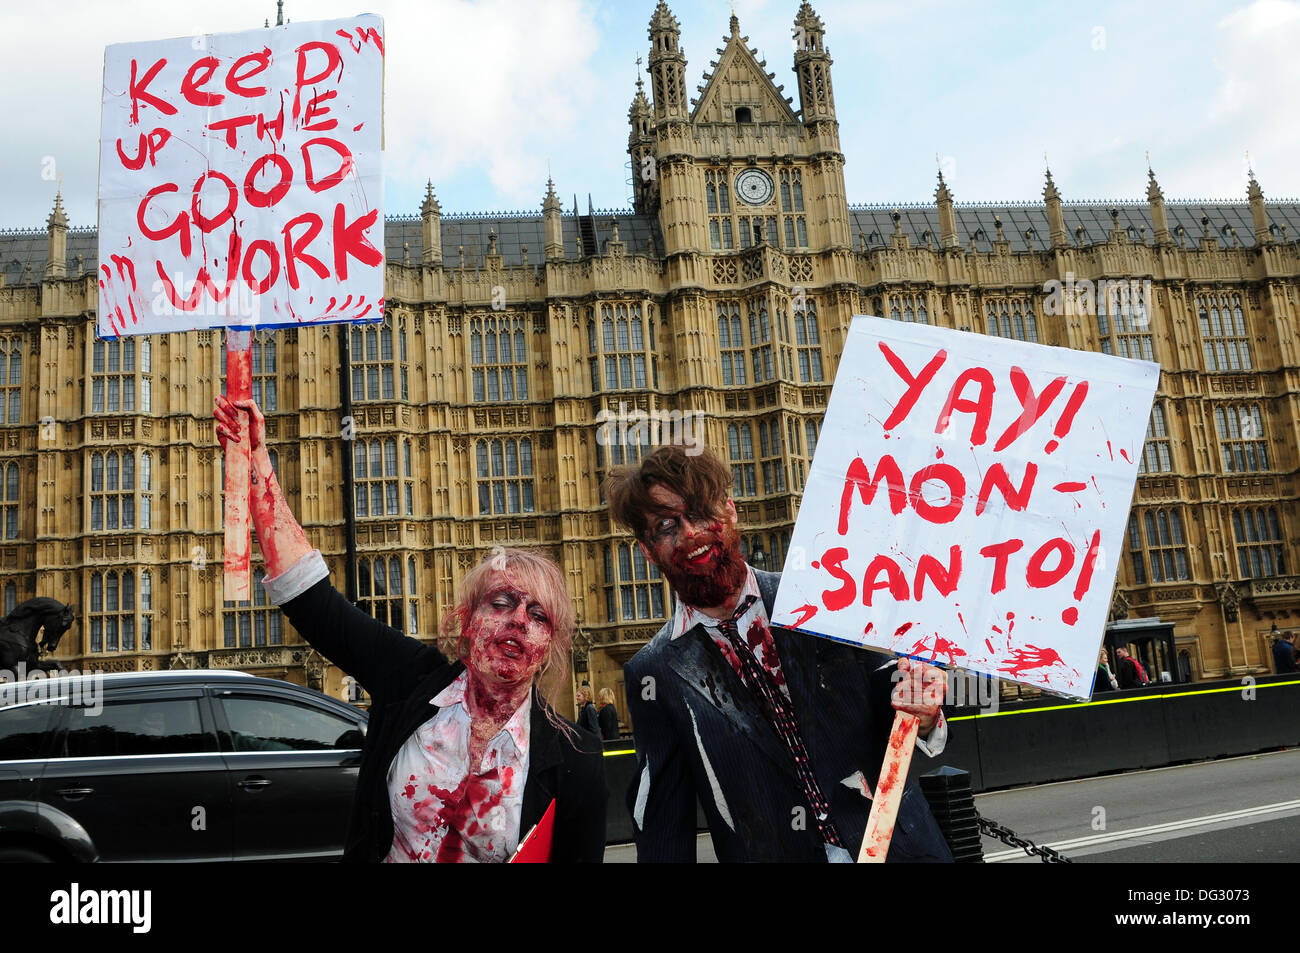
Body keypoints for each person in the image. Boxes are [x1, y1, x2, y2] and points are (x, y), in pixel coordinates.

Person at [214, 394, 606, 863]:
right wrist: (256, 456)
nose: (519, 620)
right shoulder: (408, 681)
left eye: (539, 615)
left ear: (550, 644)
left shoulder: (578, 758)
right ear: (464, 622)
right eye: (501, 602)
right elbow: (311, 599)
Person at [605, 445, 953, 862]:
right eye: (666, 526)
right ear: (647, 550)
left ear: (730, 510)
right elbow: (663, 822)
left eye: (699, 513)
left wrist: (926, 712)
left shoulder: (823, 599)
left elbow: (895, 705)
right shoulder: (654, 670)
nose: (691, 534)